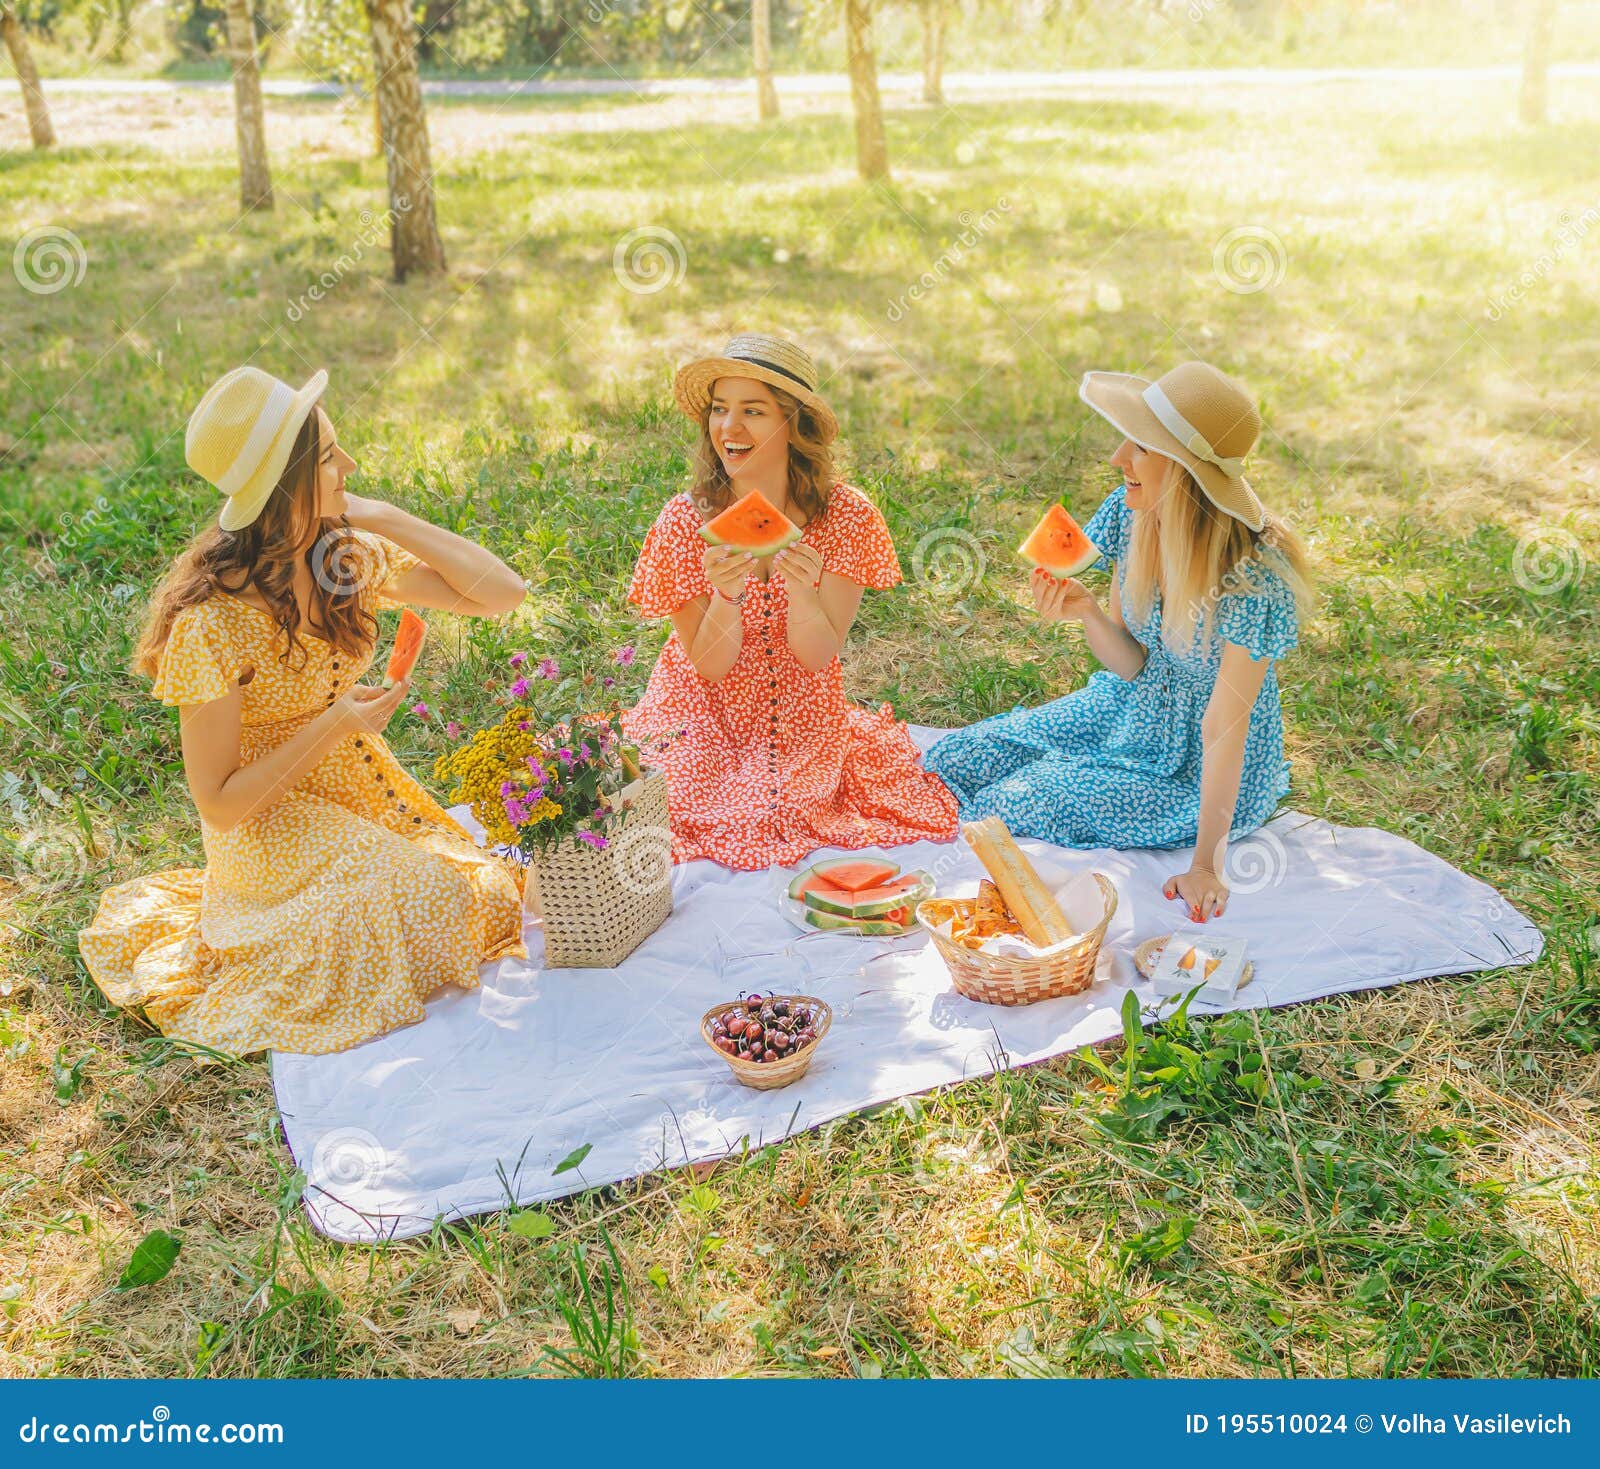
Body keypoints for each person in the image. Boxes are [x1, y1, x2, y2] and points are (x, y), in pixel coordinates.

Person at [79, 367, 529, 1055]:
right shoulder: (211, 623)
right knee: (422, 897)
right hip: (262, 822)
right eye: (328, 458)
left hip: (350, 786)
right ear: (284, 487)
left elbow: (501, 592)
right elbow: (221, 803)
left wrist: (378, 513)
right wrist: (335, 724)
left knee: (482, 891)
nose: (349, 465)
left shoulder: (339, 556)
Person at [924, 361, 1314, 924]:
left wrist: (1206, 864)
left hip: (1198, 766)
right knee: (958, 758)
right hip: (1128, 706)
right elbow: (1132, 665)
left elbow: (1224, 727)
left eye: (1141, 447)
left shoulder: (1255, 581)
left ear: (1185, 472)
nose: (1117, 459)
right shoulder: (1130, 514)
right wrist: (1085, 613)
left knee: (1018, 799)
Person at [622, 333, 958, 870]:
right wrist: (725, 597)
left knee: (783, 807)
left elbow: (817, 656)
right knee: (692, 806)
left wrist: (803, 594)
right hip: (702, 710)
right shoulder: (683, 522)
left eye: (752, 411)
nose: (729, 428)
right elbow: (708, 666)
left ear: (793, 426)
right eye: (719, 410)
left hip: (805, 711)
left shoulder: (846, 516)